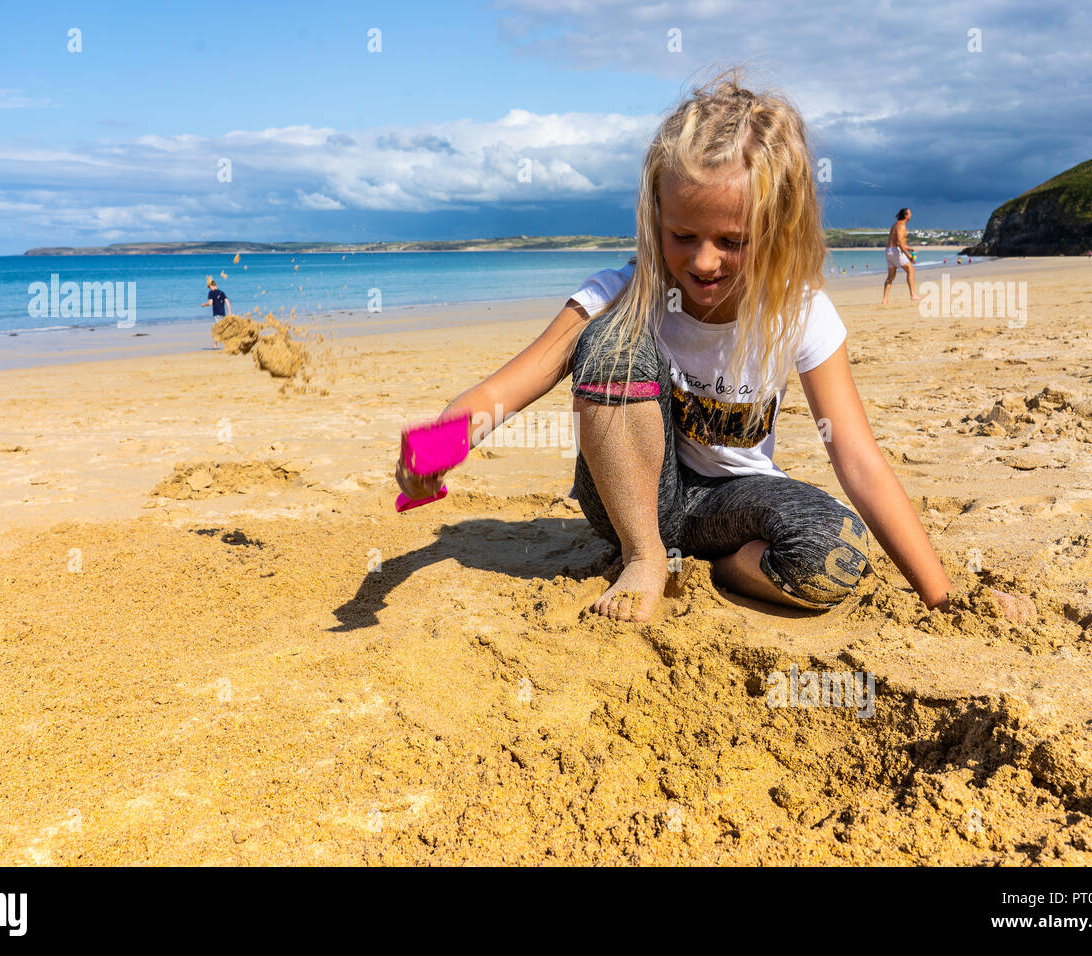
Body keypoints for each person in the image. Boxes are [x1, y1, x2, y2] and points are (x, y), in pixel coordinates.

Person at [395, 68, 1030, 624]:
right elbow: (510, 384)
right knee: (610, 340)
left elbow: (857, 460)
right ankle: (646, 558)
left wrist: (942, 597)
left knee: (836, 555)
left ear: (778, 228)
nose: (703, 261)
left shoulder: (799, 312)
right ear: (655, 217)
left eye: (733, 240)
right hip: (630, 497)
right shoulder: (627, 289)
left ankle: (711, 566)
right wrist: (434, 449)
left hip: (733, 504)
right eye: (681, 234)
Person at [881, 208, 922, 304]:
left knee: (891, 276)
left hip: (889, 251)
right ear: (905, 215)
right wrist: (909, 256)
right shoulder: (901, 226)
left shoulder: (896, 224)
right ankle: (913, 295)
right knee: (911, 270)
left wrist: (909, 248)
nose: (911, 215)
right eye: (910, 214)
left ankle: (884, 299)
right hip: (895, 251)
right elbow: (899, 243)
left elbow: (899, 242)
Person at [203, 276, 231, 349]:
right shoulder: (222, 292)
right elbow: (227, 302)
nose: (209, 289)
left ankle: (215, 345)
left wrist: (204, 305)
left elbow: (210, 303)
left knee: (219, 330)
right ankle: (226, 344)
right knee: (223, 329)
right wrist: (229, 312)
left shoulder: (211, 293)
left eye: (209, 287)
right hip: (223, 314)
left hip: (216, 315)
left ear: (212, 286)